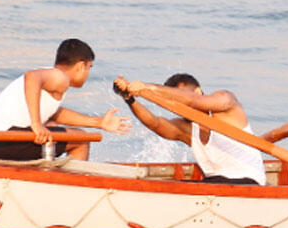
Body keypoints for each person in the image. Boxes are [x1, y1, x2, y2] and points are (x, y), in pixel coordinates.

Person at [0, 38, 130, 161]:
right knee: (81, 141)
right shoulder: (59, 77)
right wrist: (37, 124)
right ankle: (72, 188)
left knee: (52, 124)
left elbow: (55, 113)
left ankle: (43, 175)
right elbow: (31, 77)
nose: (88, 73)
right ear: (81, 65)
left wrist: (99, 123)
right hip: (5, 140)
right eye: (90, 67)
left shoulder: (52, 78)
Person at [113, 73, 267, 185]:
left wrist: (148, 87)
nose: (177, 108)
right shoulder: (186, 128)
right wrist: (129, 98)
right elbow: (156, 124)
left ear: (199, 91)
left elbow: (193, 101)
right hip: (216, 183)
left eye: (178, 98)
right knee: (172, 186)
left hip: (249, 182)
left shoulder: (226, 102)